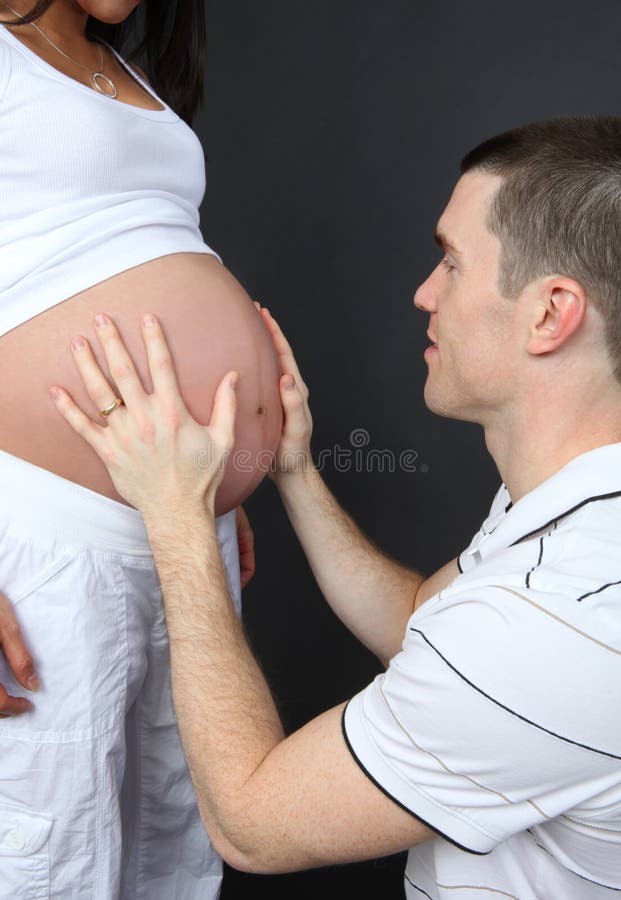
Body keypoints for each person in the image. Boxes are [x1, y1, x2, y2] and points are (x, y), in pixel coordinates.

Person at [11, 114, 621, 897]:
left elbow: (250, 824)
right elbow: (419, 622)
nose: (423, 292)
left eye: (451, 263)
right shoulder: (580, 517)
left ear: (549, 314)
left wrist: (176, 517)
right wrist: (292, 472)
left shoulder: (564, 621)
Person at [0, 0, 281, 896]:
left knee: (174, 851)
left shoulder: (122, 72)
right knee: (46, 859)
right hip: (44, 531)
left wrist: (211, 497)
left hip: (181, 536)